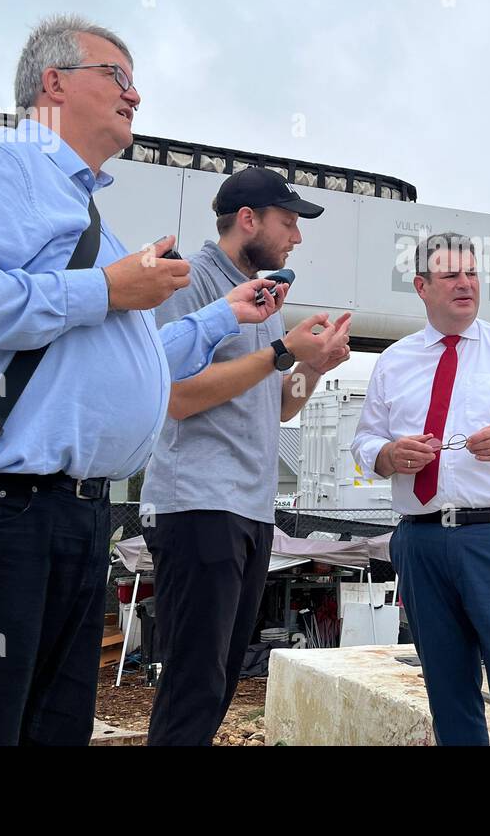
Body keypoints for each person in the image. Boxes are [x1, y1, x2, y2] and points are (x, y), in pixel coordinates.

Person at [0, 14, 283, 746]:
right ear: (53, 82)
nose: (137, 95)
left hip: (70, 520)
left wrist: (222, 316)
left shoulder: (81, 205)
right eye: (118, 77)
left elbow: (132, 366)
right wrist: (103, 290)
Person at [141, 167, 352, 746]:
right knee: (194, 679)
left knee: (222, 677)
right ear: (248, 220)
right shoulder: (190, 283)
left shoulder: (266, 299)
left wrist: (313, 366)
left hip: (249, 509)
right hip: (197, 503)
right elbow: (177, 398)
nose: (297, 238)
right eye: (289, 222)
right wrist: (283, 350)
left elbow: (281, 406)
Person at [351, 232, 490, 746]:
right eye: (451, 275)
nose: (465, 284)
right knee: (448, 694)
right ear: (422, 286)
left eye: (472, 274)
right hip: (421, 543)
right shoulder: (394, 360)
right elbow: (365, 441)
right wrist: (389, 455)